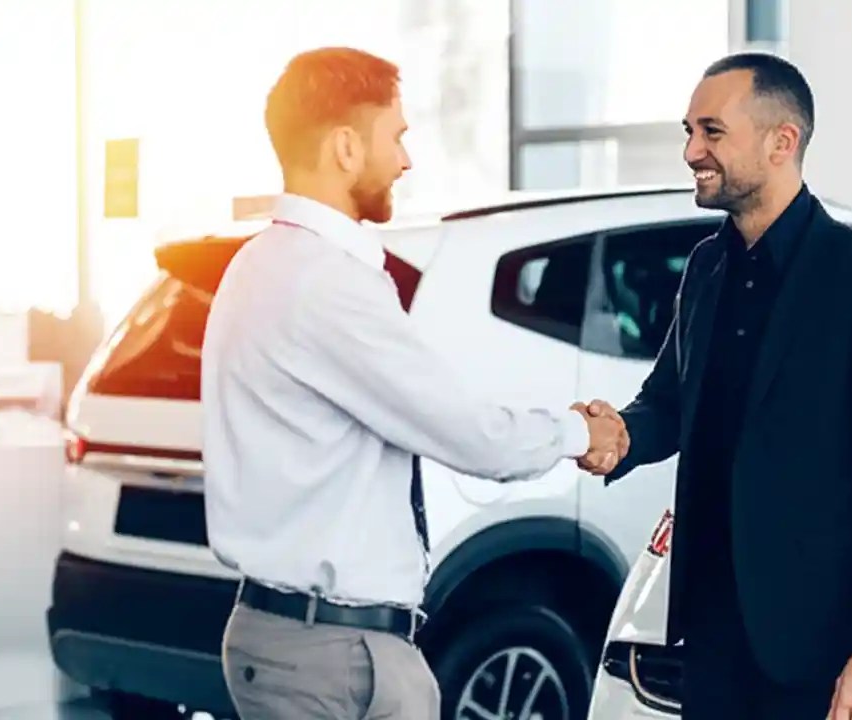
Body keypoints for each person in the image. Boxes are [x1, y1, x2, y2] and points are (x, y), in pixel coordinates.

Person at [200, 46, 627, 720]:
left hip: (300, 638)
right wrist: (582, 431)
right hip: (334, 656)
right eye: (395, 136)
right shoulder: (324, 282)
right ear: (345, 147)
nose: (405, 159)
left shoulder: (262, 264)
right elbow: (465, 432)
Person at [580, 52, 852, 719]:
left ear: (781, 142)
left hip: (822, 655)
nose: (691, 150)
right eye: (688, 131)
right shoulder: (704, 268)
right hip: (710, 641)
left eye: (711, 131)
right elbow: (669, 402)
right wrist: (619, 436)